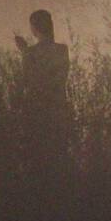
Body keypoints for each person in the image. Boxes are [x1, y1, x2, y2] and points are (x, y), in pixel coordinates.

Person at [15, 9, 70, 172]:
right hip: (59, 109)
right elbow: (58, 78)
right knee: (59, 156)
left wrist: (25, 51)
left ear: (34, 28)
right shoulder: (62, 50)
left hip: (37, 111)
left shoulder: (30, 53)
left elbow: (28, 80)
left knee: (37, 159)